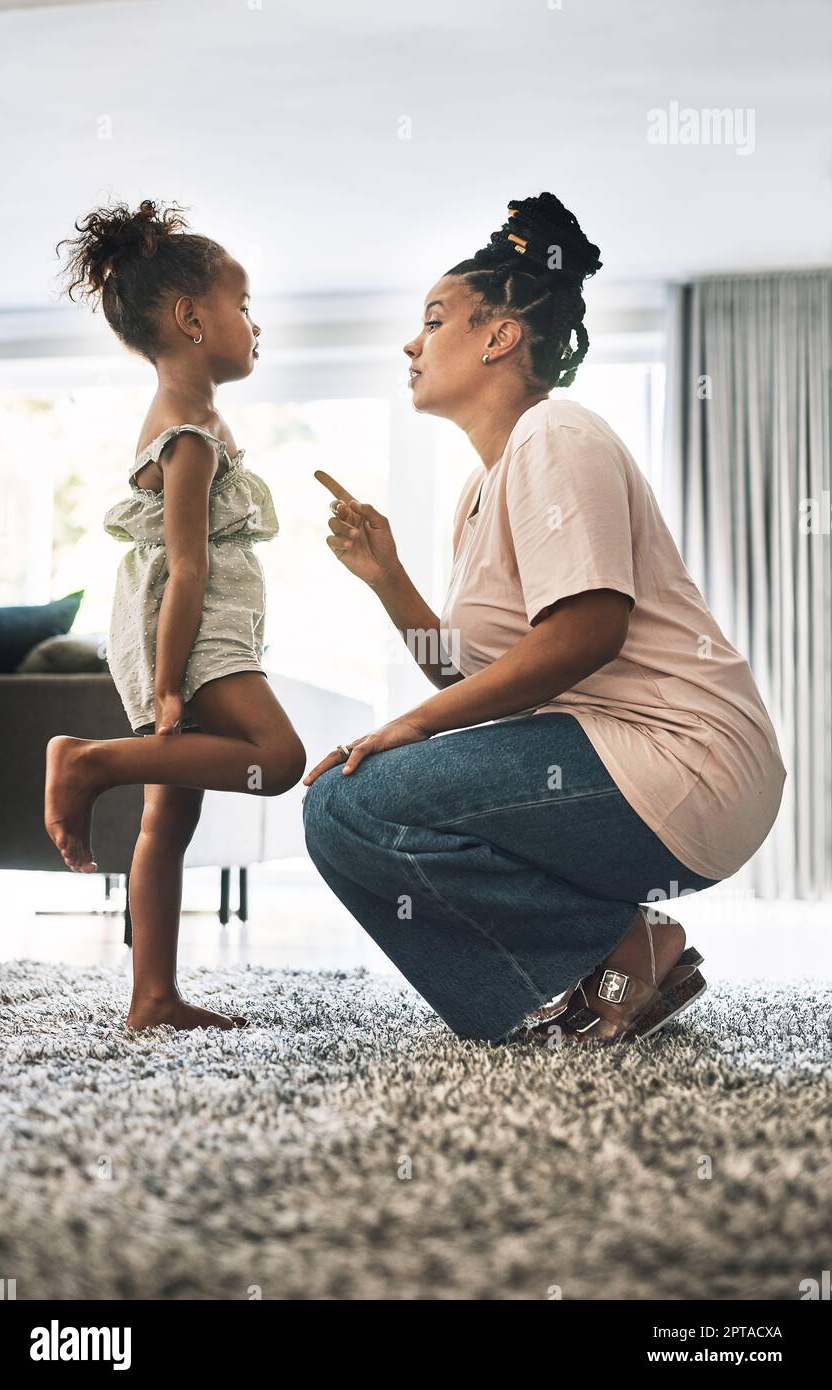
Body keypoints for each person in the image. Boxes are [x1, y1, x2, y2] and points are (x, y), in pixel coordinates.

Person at [301, 191, 787, 1047]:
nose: (411, 344)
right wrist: (389, 577)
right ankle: (618, 962)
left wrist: (409, 727)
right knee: (347, 804)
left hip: (684, 758)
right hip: (615, 763)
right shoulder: (481, 490)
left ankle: (618, 948)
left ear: (499, 337)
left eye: (435, 320)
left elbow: (586, 634)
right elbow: (478, 681)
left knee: (350, 803)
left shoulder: (554, 433)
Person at [44, 199, 306, 1031]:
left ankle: (152, 997)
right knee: (280, 757)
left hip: (174, 628)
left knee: (172, 813)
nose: (256, 325)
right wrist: (166, 688)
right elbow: (188, 569)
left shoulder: (192, 421)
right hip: (191, 637)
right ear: (194, 318)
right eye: (244, 306)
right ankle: (87, 762)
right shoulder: (188, 433)